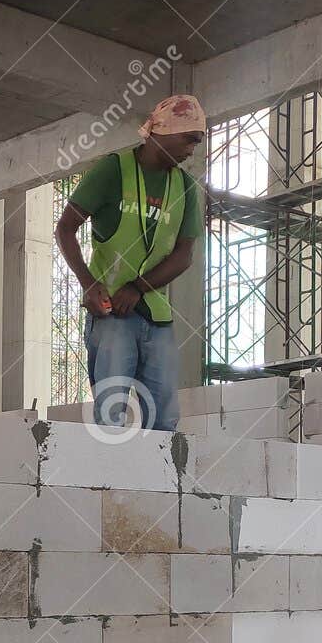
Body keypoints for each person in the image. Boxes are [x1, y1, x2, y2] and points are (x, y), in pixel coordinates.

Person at [55, 94, 207, 433]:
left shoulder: (184, 186)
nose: (191, 150)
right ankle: (109, 485)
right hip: (111, 315)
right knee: (112, 416)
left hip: (156, 315)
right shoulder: (113, 170)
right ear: (162, 131)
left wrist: (138, 288)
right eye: (189, 140)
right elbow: (65, 229)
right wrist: (90, 285)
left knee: (165, 419)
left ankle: (160, 485)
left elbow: (184, 255)